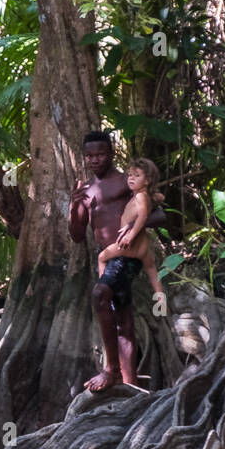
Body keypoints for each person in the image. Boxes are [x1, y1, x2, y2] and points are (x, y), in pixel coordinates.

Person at [68, 133, 165, 392]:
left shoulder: (126, 182)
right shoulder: (86, 190)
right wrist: (73, 207)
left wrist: (133, 227)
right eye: (89, 155)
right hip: (110, 258)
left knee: (100, 294)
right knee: (123, 318)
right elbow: (77, 236)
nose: (94, 160)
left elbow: (159, 213)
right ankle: (129, 383)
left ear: (111, 153)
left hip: (128, 254)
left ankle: (110, 370)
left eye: (100, 154)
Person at [96, 157, 165, 300]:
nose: (131, 178)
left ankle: (103, 292)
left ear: (147, 181)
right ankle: (162, 308)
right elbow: (160, 197)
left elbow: (143, 217)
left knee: (102, 257)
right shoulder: (146, 195)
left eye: (137, 175)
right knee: (152, 271)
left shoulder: (140, 197)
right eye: (130, 175)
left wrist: (130, 235)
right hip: (143, 247)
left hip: (130, 245)